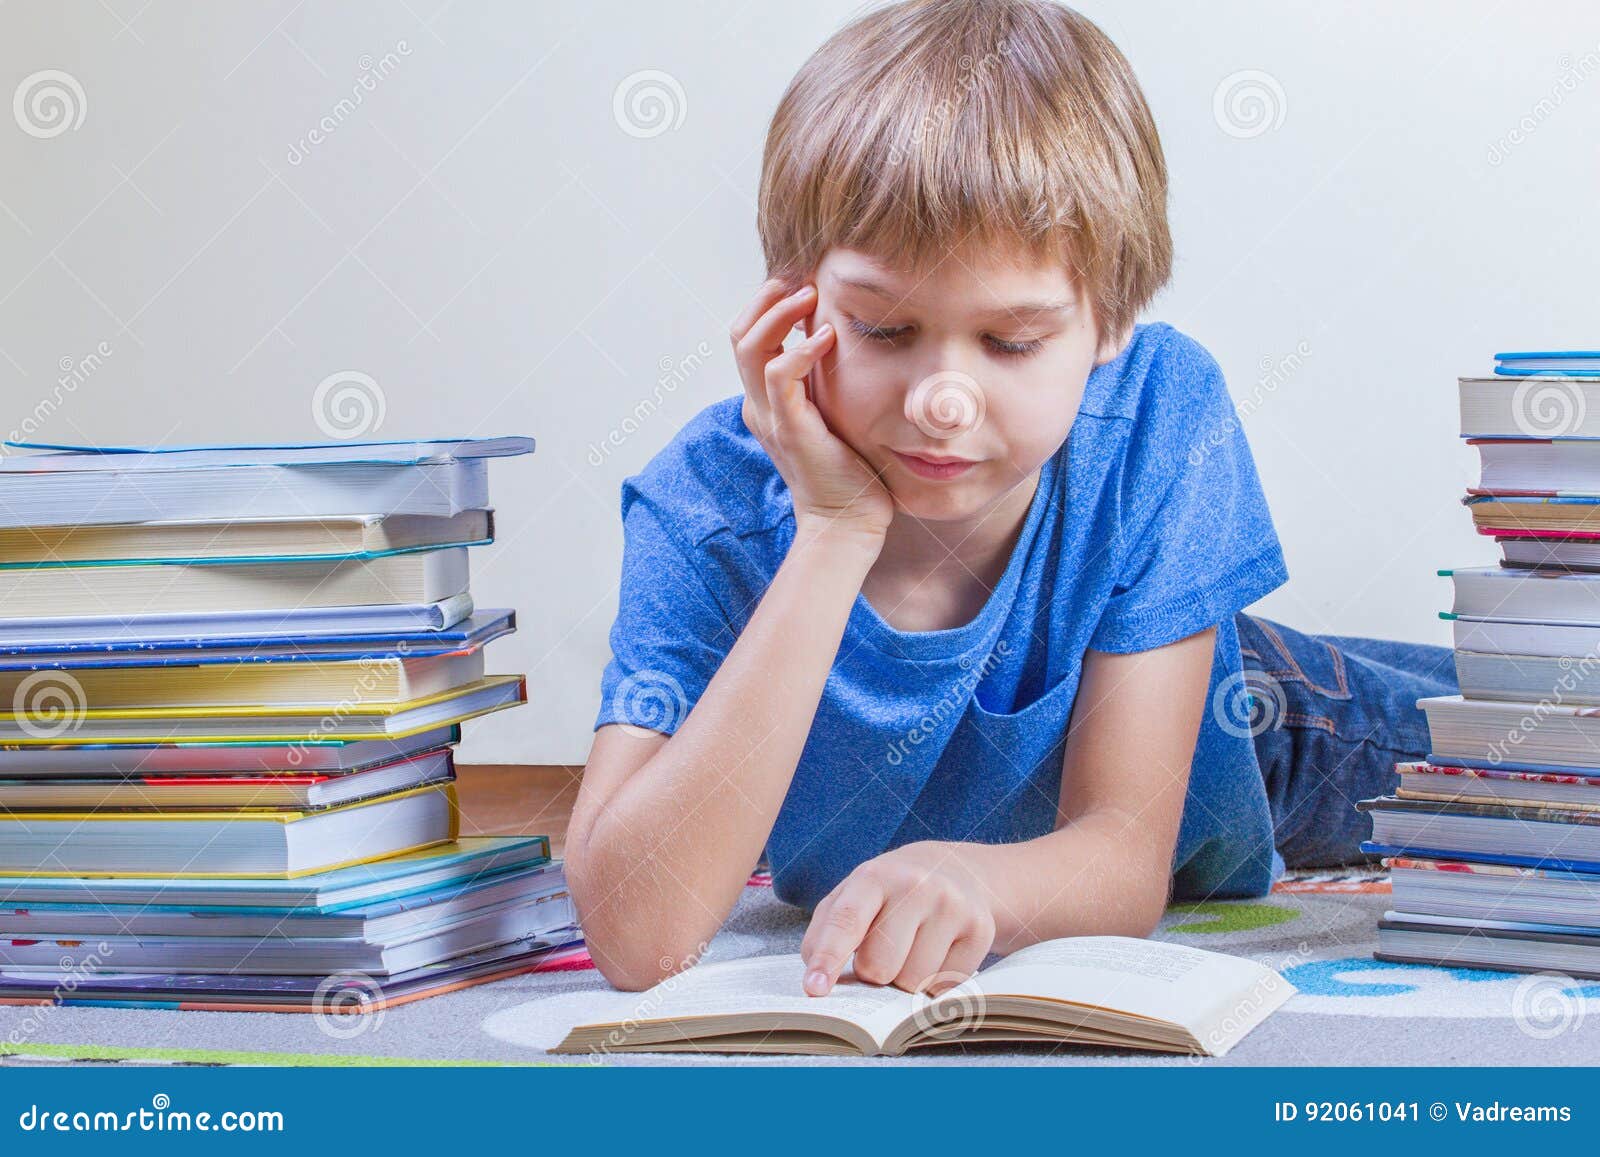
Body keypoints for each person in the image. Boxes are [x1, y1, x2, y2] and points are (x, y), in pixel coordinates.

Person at [566, 0, 1457, 996]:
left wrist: (973, 876)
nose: (941, 403)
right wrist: (832, 530)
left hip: (1270, 729)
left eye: (1012, 343)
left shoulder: (1157, 410)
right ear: (792, 305)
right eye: (884, 329)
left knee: (1541, 738)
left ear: (1107, 321)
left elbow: (1124, 855)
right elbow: (638, 934)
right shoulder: (703, 506)